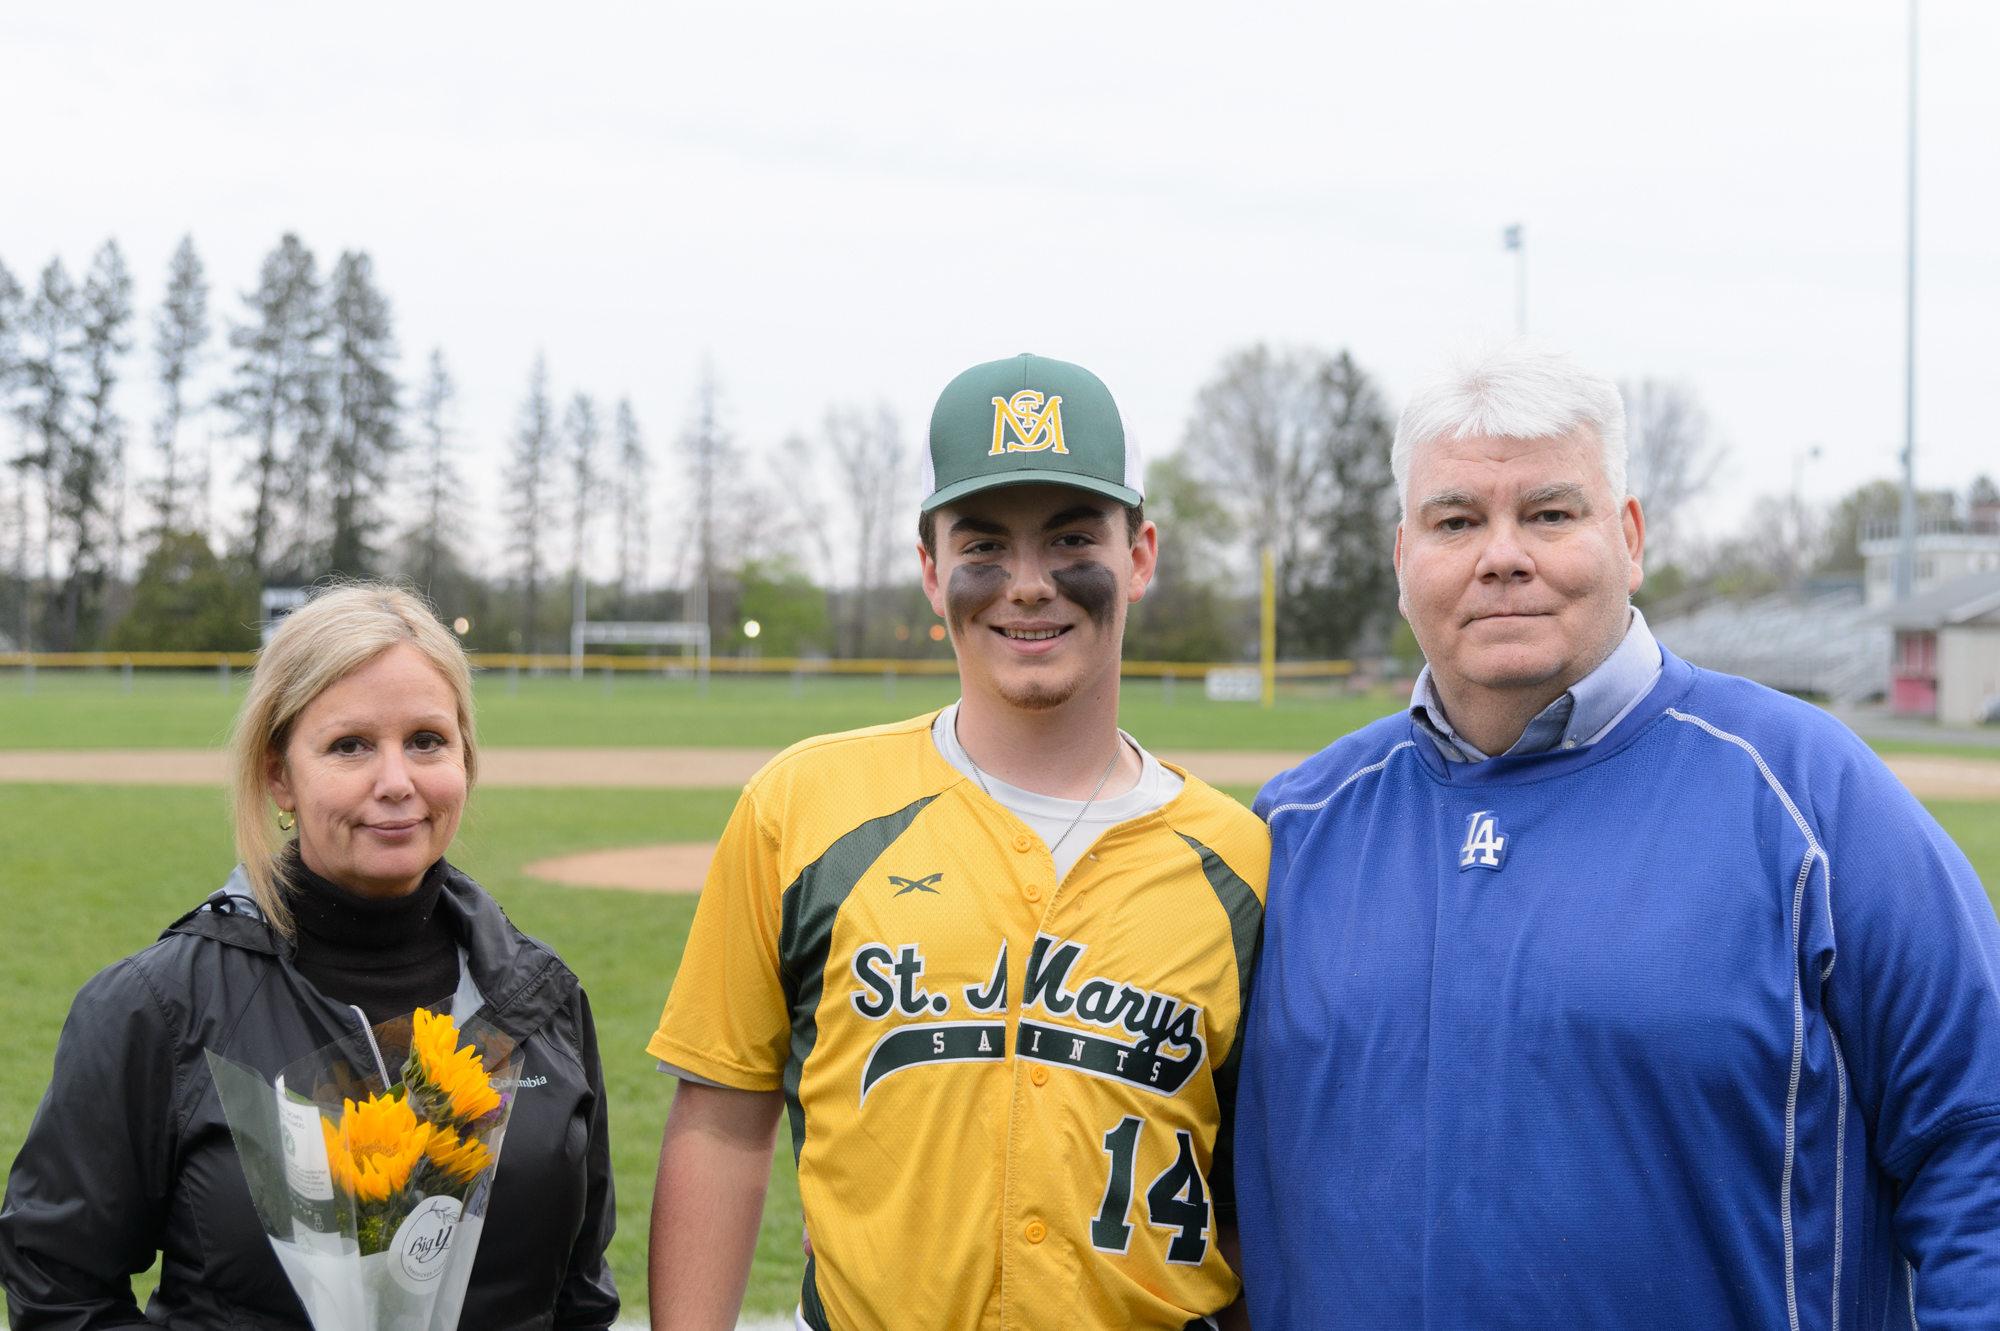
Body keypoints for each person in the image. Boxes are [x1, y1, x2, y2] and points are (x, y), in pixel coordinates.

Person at [1234, 341, 2000, 1327]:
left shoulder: (1807, 795)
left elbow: (1973, 1140)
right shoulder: (1295, 827)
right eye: (1454, 519)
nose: (1500, 552)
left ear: (1628, 536)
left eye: (1549, 513)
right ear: (1401, 558)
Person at [645, 353, 1268, 1331]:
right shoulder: (802, 806)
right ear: (931, 569)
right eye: (983, 543)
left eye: (1070, 537)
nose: (1026, 583)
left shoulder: (1242, 863)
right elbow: (721, 1121)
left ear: (1139, 554)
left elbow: (1253, 1195)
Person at [0, 583, 619, 1329]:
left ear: (466, 759)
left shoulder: (541, 999)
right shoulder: (154, 1008)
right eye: (349, 745)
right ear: (278, 775)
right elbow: (58, 1288)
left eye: (427, 740)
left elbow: (581, 1294)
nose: (397, 782)